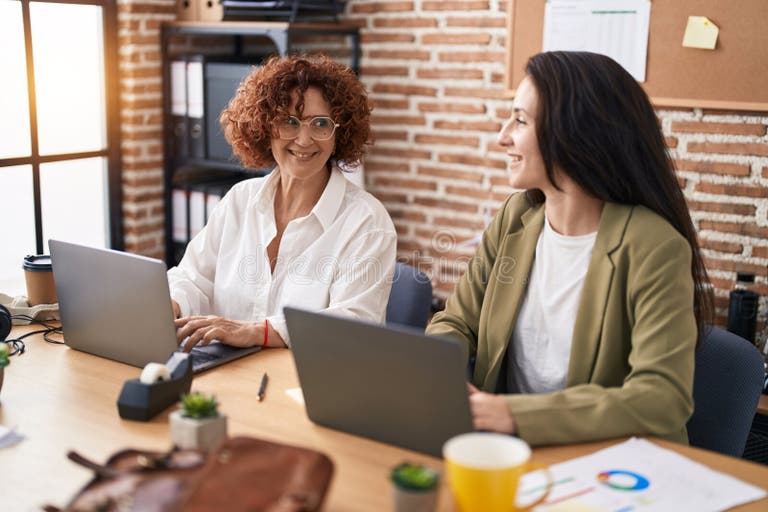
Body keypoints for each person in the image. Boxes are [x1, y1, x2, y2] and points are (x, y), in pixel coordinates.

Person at [426, 51, 713, 446]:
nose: (502, 136)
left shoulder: (653, 246)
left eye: (520, 121)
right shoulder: (517, 217)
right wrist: (435, 376)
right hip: (509, 451)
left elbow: (662, 398)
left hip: (606, 464)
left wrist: (511, 415)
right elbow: (457, 322)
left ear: (574, 133)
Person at [168, 54, 396, 350]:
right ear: (264, 126)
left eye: (321, 124)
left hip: (305, 385)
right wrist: (172, 304)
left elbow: (351, 324)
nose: (304, 139)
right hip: (227, 374)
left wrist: (257, 332)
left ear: (340, 134)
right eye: (289, 122)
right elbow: (193, 278)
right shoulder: (240, 200)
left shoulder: (367, 222)